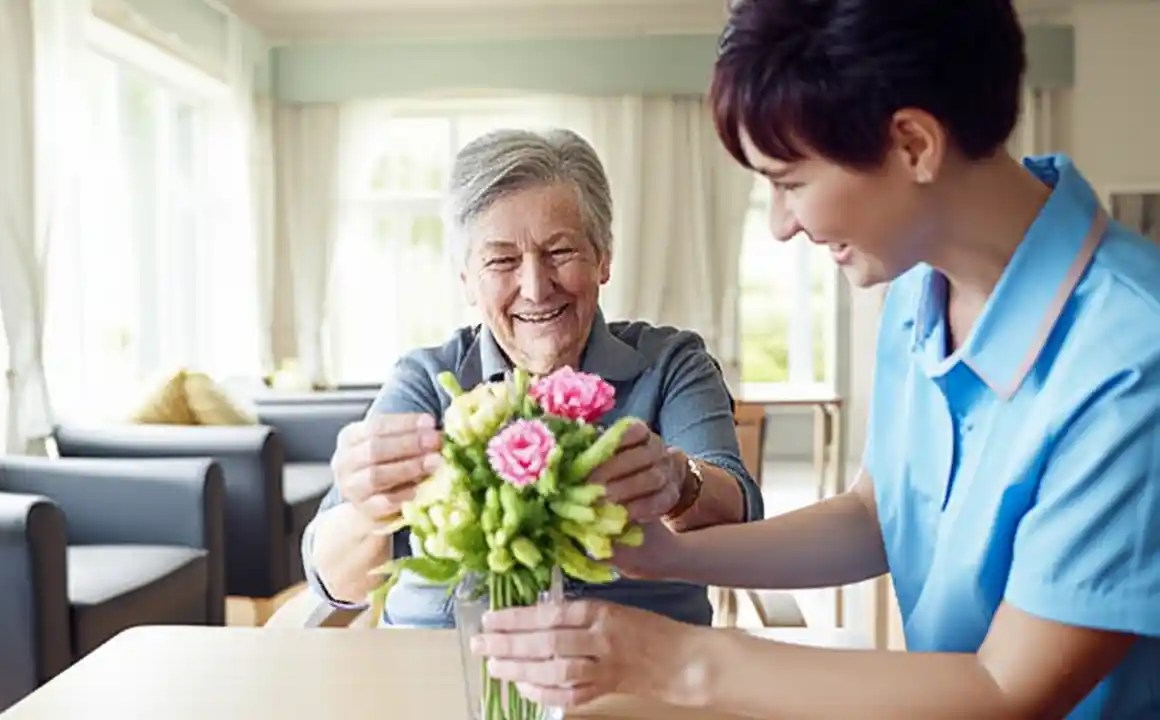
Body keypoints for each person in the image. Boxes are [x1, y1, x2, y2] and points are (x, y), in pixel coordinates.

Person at [471, 1, 1160, 717]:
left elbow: (1009, 689)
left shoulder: (1133, 359)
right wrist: (666, 557)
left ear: (913, 144)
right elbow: (876, 515)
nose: (779, 224)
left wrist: (670, 658)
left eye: (790, 182)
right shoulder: (920, 288)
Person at [301, 127, 764, 628]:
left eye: (560, 252)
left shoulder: (671, 362)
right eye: (501, 260)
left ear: (603, 257)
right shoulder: (428, 378)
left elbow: (741, 521)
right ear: (466, 279)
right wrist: (370, 509)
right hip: (443, 675)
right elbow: (336, 584)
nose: (536, 287)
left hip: (644, 674)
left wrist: (679, 482)